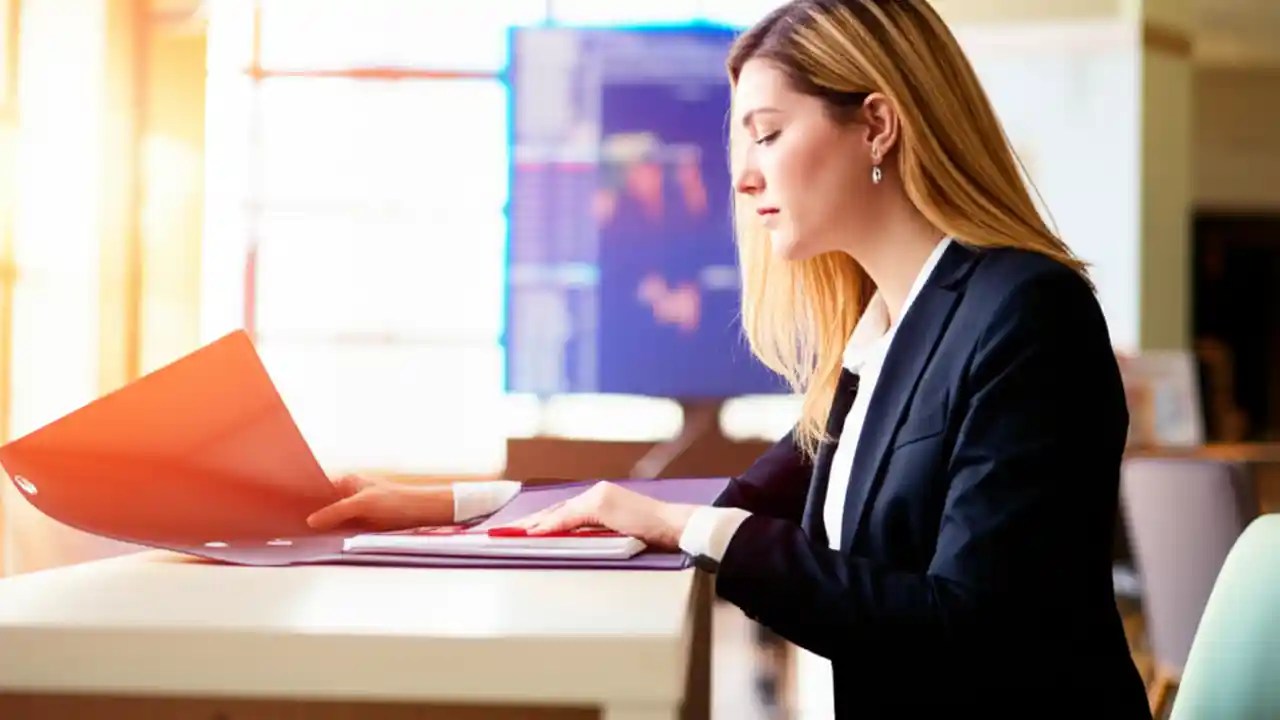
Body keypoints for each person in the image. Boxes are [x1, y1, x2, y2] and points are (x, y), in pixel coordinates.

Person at [307, 1, 1152, 715]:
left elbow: (969, 632)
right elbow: (697, 506)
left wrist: (695, 529)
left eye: (769, 133)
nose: (743, 178)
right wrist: (457, 507)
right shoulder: (876, 339)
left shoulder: (1027, 315)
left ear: (878, 127)